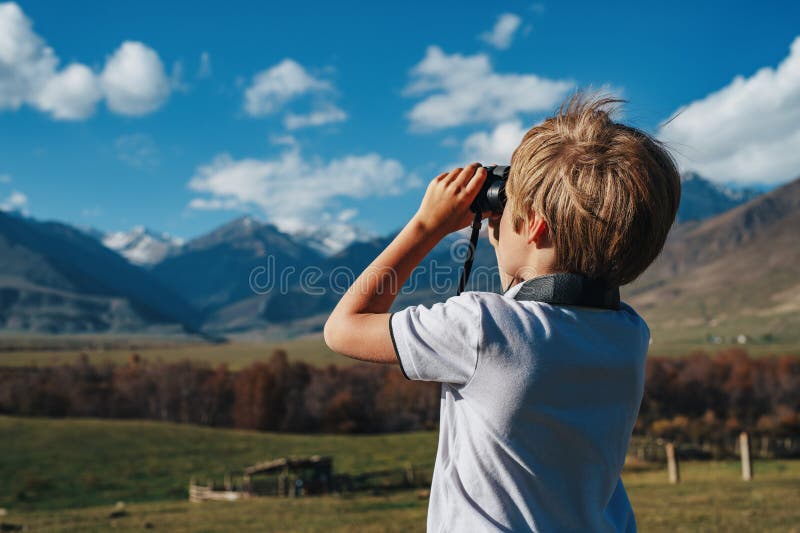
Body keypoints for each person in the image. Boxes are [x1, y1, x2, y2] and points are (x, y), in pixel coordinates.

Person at [324, 92, 681, 532]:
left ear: (533, 223)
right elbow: (544, 315)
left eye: (506, 203)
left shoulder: (482, 328)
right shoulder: (628, 334)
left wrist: (426, 225)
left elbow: (343, 328)